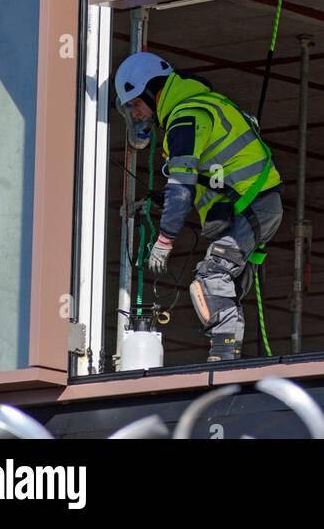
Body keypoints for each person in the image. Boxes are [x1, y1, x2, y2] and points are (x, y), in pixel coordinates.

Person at [114, 52, 283, 362]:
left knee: (210, 279)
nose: (135, 114)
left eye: (136, 104)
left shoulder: (186, 118)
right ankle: (230, 352)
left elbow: (182, 187)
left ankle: (223, 358)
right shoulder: (203, 106)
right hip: (252, 206)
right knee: (224, 286)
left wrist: (164, 240)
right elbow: (200, 179)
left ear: (154, 90)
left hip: (253, 205)